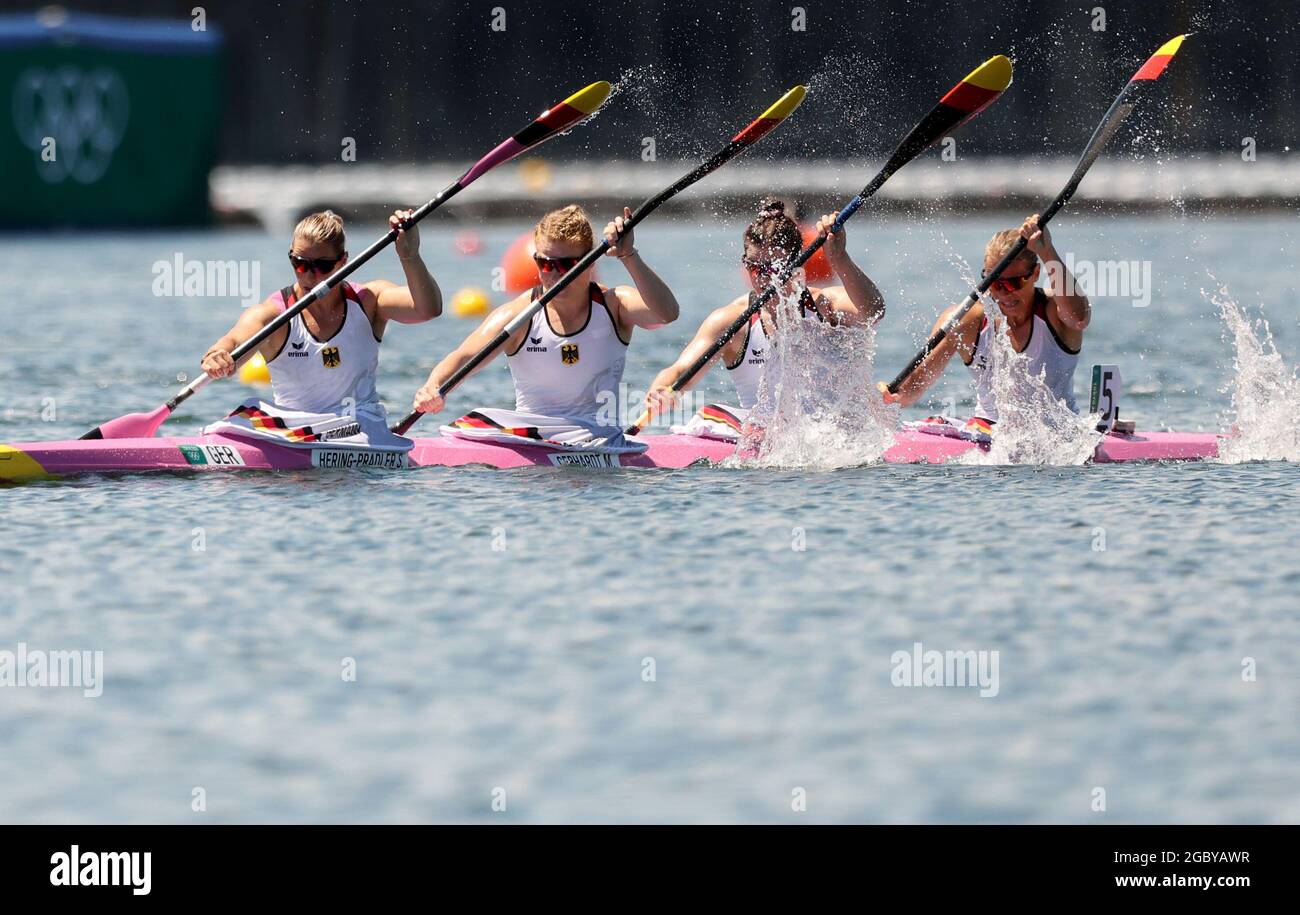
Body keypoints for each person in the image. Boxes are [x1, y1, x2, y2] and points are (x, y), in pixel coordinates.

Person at [411, 204, 680, 452]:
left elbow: (666, 313)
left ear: (591, 262)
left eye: (566, 265)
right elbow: (463, 356)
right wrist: (433, 387)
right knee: (471, 419)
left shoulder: (614, 306)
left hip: (596, 436)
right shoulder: (518, 315)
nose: (553, 274)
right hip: (531, 434)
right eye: (544, 264)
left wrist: (628, 256)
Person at [642, 198, 885, 439]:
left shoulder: (826, 306)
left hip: (834, 435)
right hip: (761, 437)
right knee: (709, 414)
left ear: (795, 264)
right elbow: (680, 370)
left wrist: (840, 258)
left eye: (771, 268)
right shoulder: (730, 322)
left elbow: (873, 311)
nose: (761, 278)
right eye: (753, 266)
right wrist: (661, 391)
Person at [200, 209, 441, 448]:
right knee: (247, 411)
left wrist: (409, 256)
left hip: (360, 427)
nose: (310, 275)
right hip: (295, 433)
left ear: (343, 261)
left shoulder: (368, 301)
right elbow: (232, 342)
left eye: (323, 266)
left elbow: (427, 309)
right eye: (300, 263)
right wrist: (217, 356)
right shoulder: (273, 315)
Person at [878, 214, 1088, 439]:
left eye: (1014, 283)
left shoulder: (1053, 311)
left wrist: (1047, 252)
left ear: (1036, 274)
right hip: (986, 428)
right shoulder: (966, 320)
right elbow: (911, 390)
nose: (1003, 293)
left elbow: (1079, 318)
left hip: (1055, 432)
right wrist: (889, 399)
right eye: (995, 283)